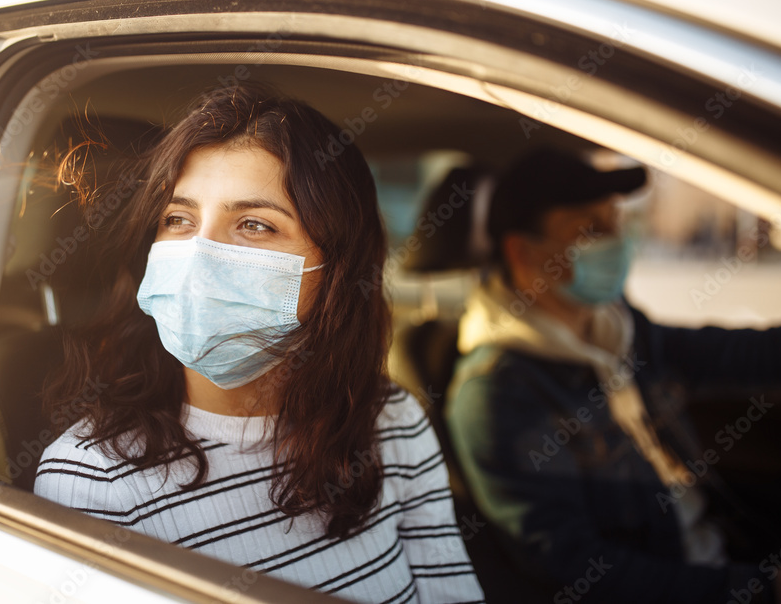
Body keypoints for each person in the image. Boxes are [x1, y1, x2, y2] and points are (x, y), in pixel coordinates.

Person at [34, 82, 485, 604]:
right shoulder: (93, 478)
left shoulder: (391, 420)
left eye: (253, 224)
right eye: (178, 219)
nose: (200, 254)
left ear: (337, 269)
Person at [444, 147, 781, 604]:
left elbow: (743, 355)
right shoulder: (497, 393)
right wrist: (764, 590)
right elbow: (578, 569)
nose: (616, 241)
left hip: (723, 550)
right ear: (523, 253)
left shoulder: (618, 328)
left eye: (616, 223)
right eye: (591, 229)